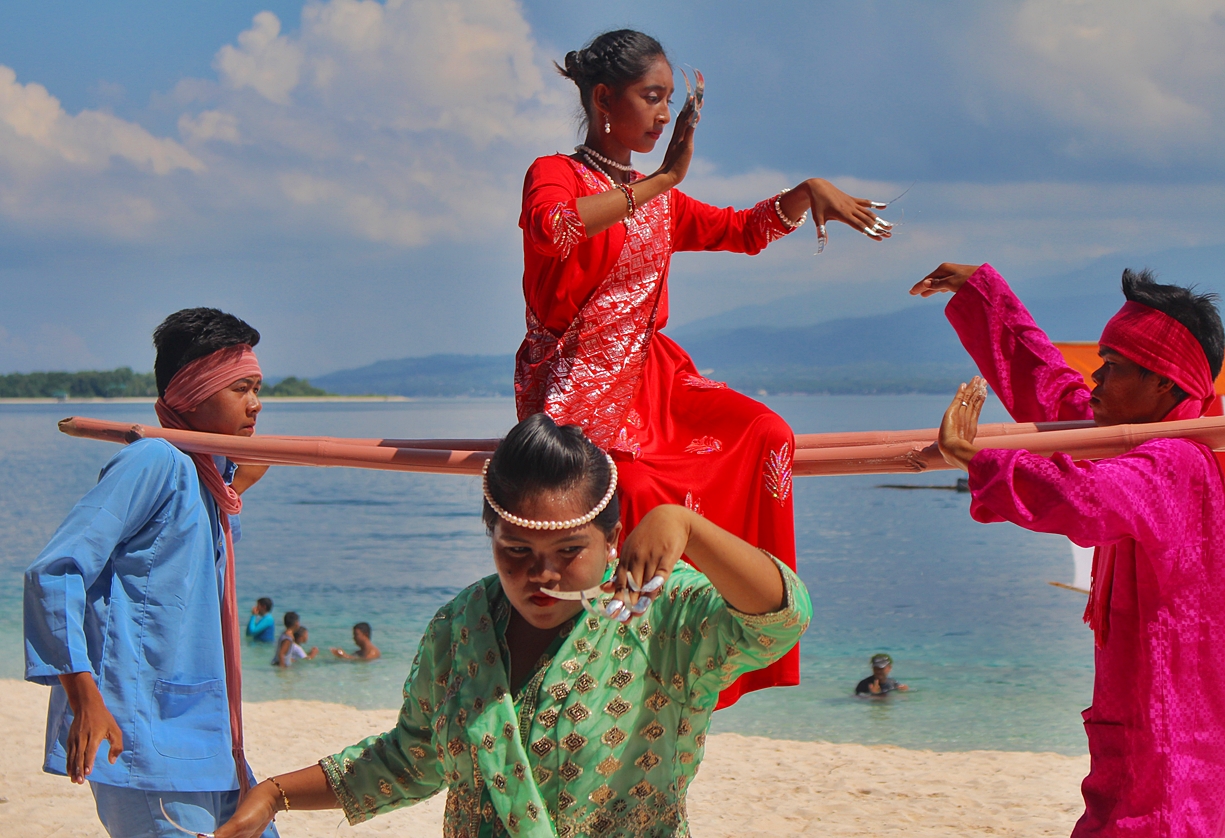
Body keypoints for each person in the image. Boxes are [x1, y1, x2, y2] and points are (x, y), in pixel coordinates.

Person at [211, 413, 811, 837]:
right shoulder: (460, 627)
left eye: (569, 551)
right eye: (516, 551)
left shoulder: (655, 614)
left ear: (611, 541)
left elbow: (780, 617)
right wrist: (275, 794)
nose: (540, 575)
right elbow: (411, 758)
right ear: (491, 536)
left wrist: (689, 526)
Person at [516, 29, 889, 709]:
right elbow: (554, 230)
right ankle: (620, 650)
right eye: (650, 97)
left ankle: (743, 628)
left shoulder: (657, 197)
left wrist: (805, 192)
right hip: (577, 378)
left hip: (655, 377)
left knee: (768, 432)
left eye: (668, 102)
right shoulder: (557, 173)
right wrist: (659, 181)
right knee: (624, 483)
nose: (663, 115)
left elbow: (740, 231)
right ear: (604, 99)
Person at [914, 262, 1225, 836]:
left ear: (1163, 383)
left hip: (1171, 732)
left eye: (1112, 368)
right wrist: (984, 294)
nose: (1097, 382)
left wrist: (973, 457)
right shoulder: (1131, 435)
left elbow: (1085, 499)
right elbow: (1054, 391)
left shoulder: (1176, 463)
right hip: (1133, 721)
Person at [23, 308, 277, 838]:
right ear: (191, 392)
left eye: (258, 387)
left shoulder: (204, 471)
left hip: (210, 739)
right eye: (241, 388)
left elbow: (213, 503)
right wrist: (83, 696)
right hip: (143, 741)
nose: (256, 404)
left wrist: (242, 458)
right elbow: (54, 571)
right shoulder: (155, 461)